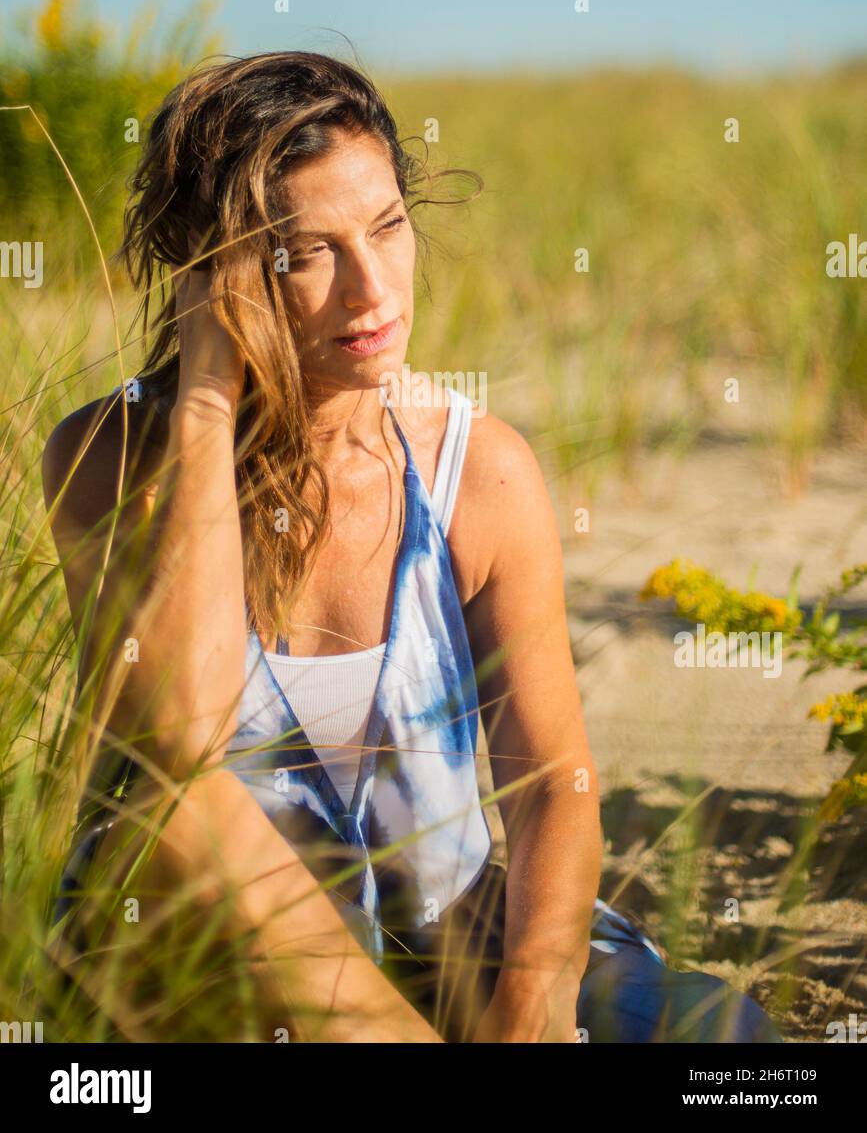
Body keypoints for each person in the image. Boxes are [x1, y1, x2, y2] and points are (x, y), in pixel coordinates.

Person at [42, 51, 782, 1043]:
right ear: (214, 276)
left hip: (438, 941)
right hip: (200, 959)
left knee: (723, 1041)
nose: (372, 288)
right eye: (304, 252)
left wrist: (529, 999)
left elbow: (556, 780)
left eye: (388, 227)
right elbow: (179, 740)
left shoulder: (482, 474)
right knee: (186, 814)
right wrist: (210, 398)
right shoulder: (110, 461)